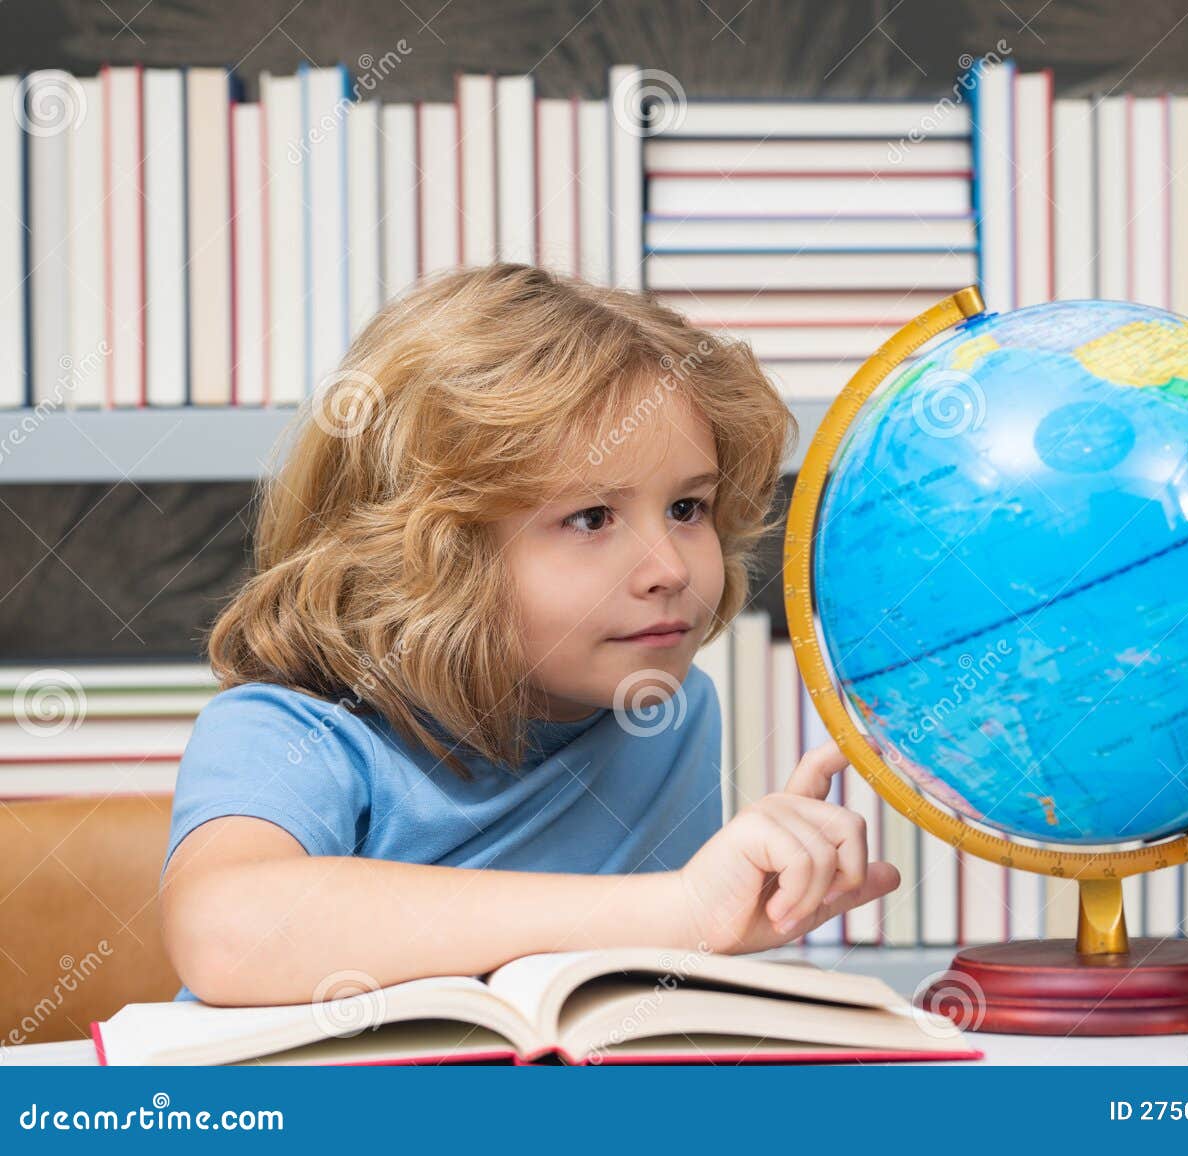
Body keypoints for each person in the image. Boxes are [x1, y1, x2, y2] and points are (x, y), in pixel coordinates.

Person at [160, 264, 899, 1006]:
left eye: (687, 508)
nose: (668, 568)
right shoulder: (290, 731)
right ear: (430, 553)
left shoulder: (668, 715)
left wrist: (737, 912)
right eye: (591, 518)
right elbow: (227, 932)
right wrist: (679, 910)